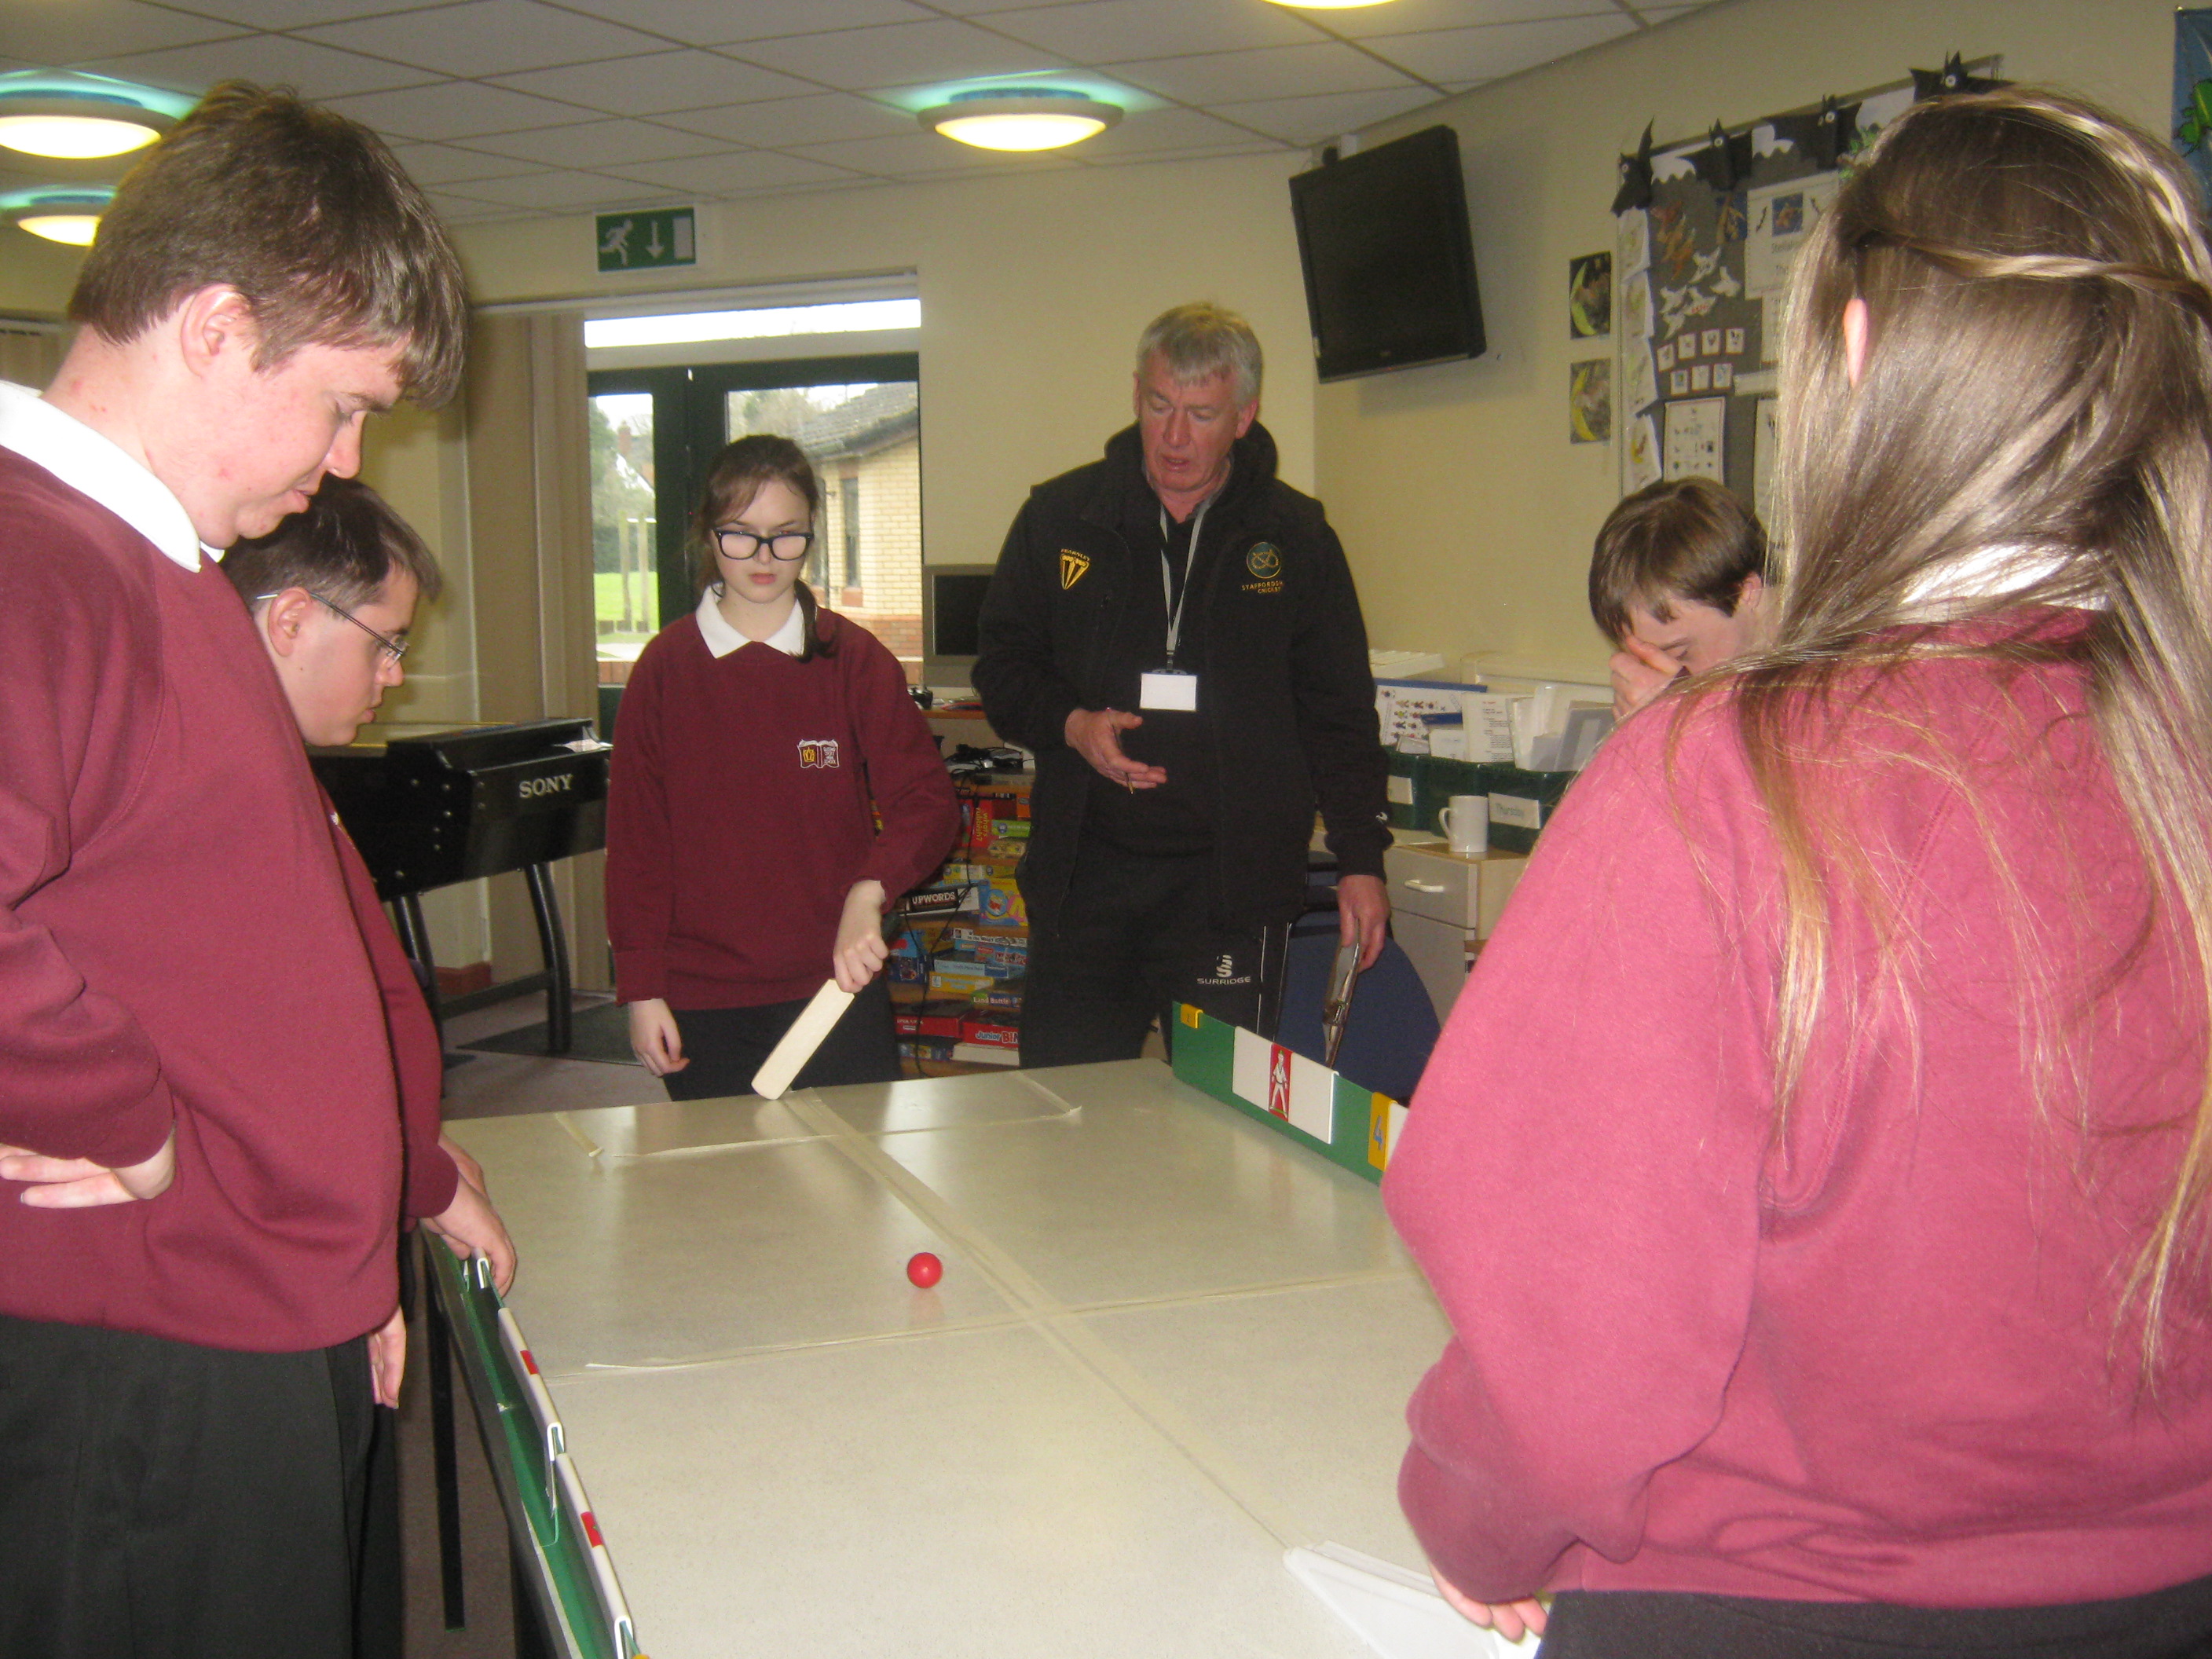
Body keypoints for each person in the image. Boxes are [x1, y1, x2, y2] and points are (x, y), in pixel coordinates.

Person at [1386, 87, 2212, 1657]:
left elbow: (1574, 1321)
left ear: (1850, 352)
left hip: (1774, 1603)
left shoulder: (1721, 776)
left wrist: (1473, 1513)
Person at [0, 82, 470, 1657]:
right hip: (148, 1359)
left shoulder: (163, 570)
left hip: (243, 1318)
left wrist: (342, 1254)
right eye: (342, 405)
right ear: (215, 329)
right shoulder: (40, 557)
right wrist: (115, 1115)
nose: (347, 460)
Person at [226, 474, 518, 1658]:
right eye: (385, 643)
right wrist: (417, 1183)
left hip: (338, 1237)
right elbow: (281, 1061)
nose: (394, 674)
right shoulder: (230, 783)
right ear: (293, 619)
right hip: (262, 1285)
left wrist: (410, 1174)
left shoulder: (282, 769)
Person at [973, 302, 1390, 1066]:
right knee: (1064, 1111)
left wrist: (1361, 859)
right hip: (1087, 882)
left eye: (1200, 415)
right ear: (1136, 394)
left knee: (1218, 1116)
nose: (1173, 437)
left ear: (1244, 417)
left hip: (1229, 891)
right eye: (1159, 406)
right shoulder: (1061, 518)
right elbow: (1001, 666)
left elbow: (1338, 713)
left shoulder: (1295, 537)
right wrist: (1070, 724)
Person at [607, 435, 960, 1099]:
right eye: (741, 535)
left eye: (786, 535)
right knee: (731, 1165)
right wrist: (642, 988)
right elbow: (637, 846)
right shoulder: (665, 670)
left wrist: (870, 891)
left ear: (812, 533)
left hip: (835, 987)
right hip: (703, 997)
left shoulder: (854, 659)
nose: (765, 557)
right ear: (707, 533)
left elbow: (927, 803)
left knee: (849, 1161)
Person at [1588, 476, 1770, 720]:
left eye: (1680, 654)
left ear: (1747, 592)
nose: (1657, 678)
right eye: (1646, 663)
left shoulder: (1815, 686)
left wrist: (1681, 718)